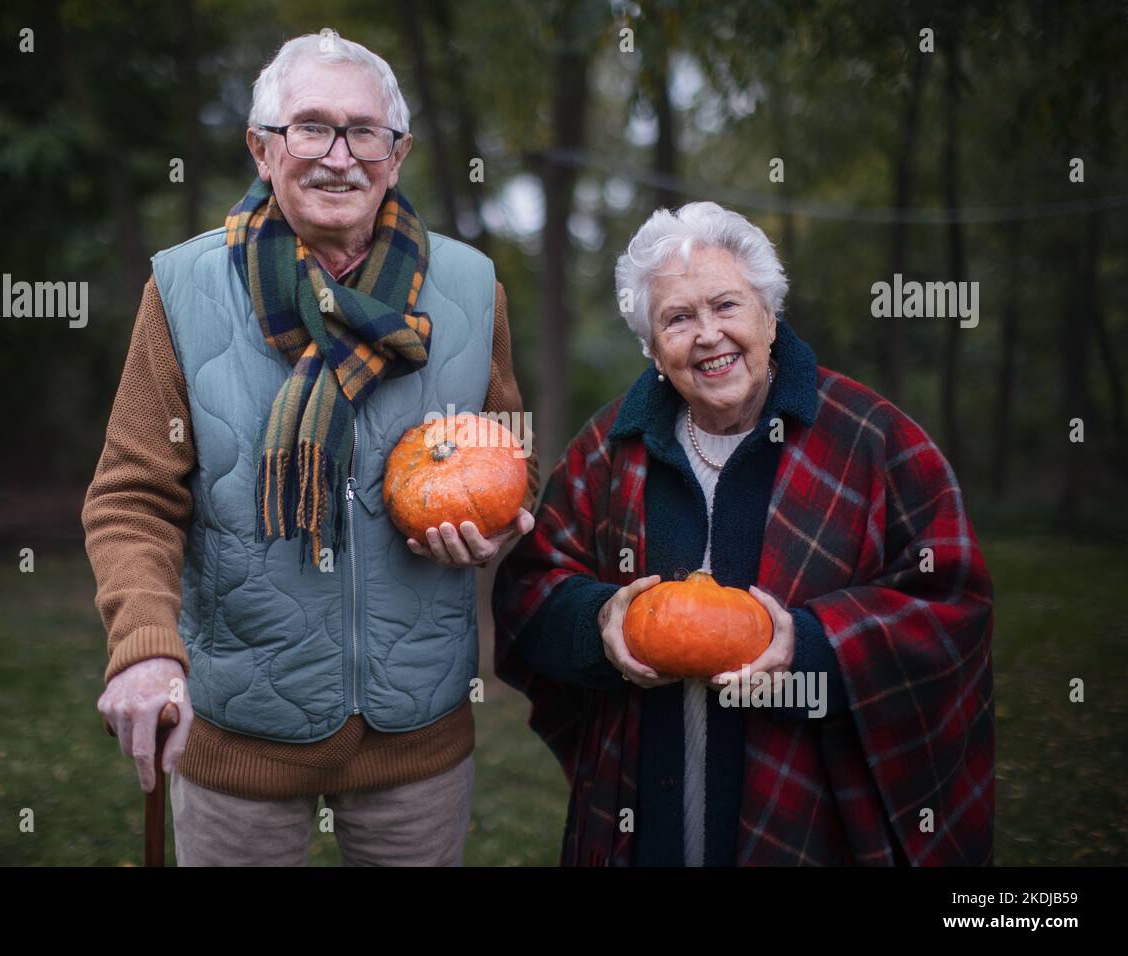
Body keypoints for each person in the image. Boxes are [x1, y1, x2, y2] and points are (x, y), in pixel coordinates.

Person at [83, 30, 537, 866]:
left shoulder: (473, 289)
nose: (340, 156)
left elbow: (507, 456)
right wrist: (144, 648)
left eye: (365, 132)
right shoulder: (183, 290)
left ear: (395, 157)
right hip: (239, 735)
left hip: (418, 737)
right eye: (311, 128)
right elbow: (132, 496)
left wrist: (501, 522)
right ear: (262, 149)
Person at [493, 200, 993, 866]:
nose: (707, 335)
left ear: (768, 312)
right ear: (651, 345)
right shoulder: (608, 449)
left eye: (726, 306)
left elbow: (953, 607)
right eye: (677, 318)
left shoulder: (872, 439)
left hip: (808, 813)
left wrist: (812, 645)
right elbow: (527, 591)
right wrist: (598, 623)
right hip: (636, 809)